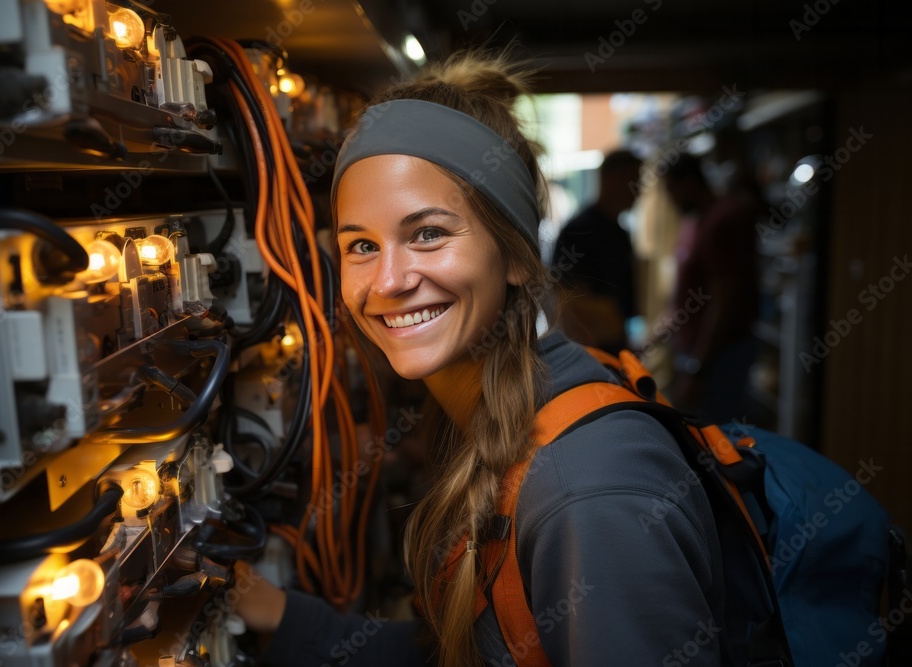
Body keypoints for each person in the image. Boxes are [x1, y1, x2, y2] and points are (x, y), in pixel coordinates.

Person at [232, 52, 724, 666]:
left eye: (428, 233)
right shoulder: (506, 411)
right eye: (361, 244)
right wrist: (283, 618)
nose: (387, 280)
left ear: (517, 257)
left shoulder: (592, 494)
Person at [660, 153, 759, 423]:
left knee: (719, 438)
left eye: (672, 190)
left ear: (690, 182)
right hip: (697, 353)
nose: (671, 200)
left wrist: (698, 371)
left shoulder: (722, 220)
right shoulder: (695, 222)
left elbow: (724, 301)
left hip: (719, 357)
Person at [552, 149, 643, 355]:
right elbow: (565, 298)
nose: (640, 190)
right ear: (612, 179)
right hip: (588, 351)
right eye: (634, 179)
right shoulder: (579, 230)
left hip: (615, 348)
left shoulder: (619, 233)